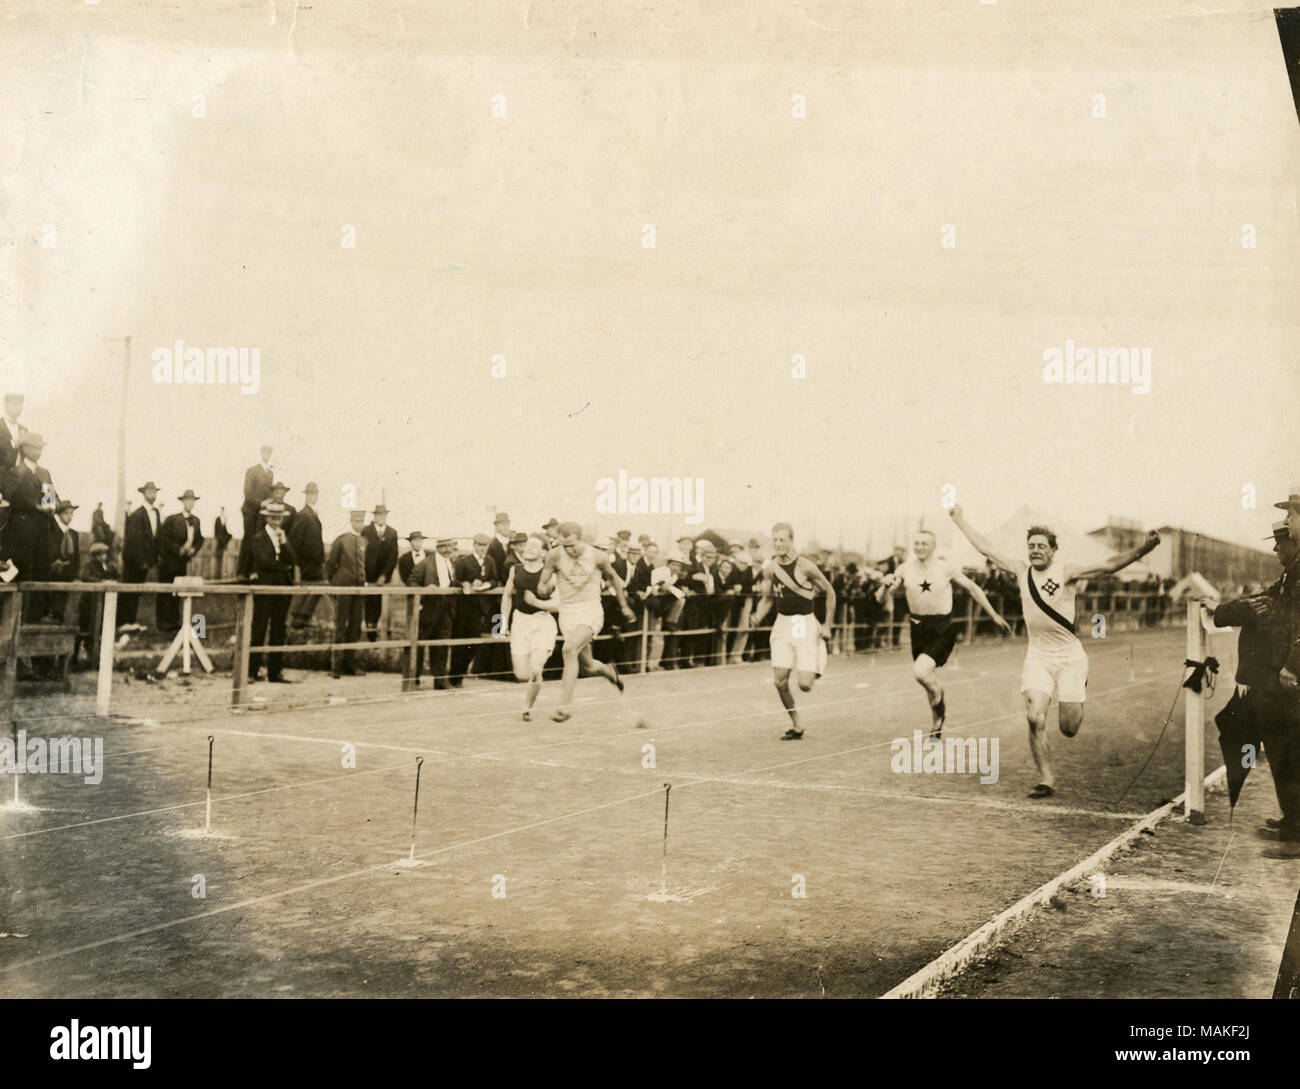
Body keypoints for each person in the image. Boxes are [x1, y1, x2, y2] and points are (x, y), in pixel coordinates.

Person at [949, 504, 1159, 798]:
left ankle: (1077, 687)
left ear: (1053, 550)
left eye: (1041, 546)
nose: (1035, 550)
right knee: (1035, 717)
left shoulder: (1067, 572)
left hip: (1069, 657)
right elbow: (986, 548)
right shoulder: (1020, 570)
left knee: (1069, 727)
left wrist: (1145, 547)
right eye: (1031, 546)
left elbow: (1109, 566)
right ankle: (1046, 778)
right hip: (1038, 656)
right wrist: (959, 519)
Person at [1213, 519, 1300, 854]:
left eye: (1281, 541)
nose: (1276, 548)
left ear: (1294, 540)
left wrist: (1292, 666)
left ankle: (1296, 834)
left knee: (1288, 755)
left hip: (1286, 680)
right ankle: (1292, 819)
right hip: (1275, 680)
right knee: (1281, 753)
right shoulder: (1289, 575)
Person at [875, 528, 1011, 738]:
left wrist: (993, 615)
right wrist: (884, 587)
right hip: (917, 628)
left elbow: (973, 588)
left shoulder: (945, 567)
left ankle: (939, 699)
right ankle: (937, 721)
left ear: (933, 547)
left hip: (942, 628)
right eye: (917, 543)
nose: (920, 547)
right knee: (927, 678)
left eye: (924, 544)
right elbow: (880, 600)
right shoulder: (904, 569)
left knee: (921, 672)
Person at [538, 522, 635, 722]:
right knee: (587, 665)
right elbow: (543, 584)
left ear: (581, 538)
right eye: (564, 546)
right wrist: (544, 589)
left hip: (590, 610)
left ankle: (564, 707)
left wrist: (624, 606)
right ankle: (611, 674)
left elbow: (615, 579)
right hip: (567, 613)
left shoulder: (597, 556)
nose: (569, 550)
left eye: (572, 545)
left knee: (569, 650)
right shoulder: (554, 555)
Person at [748, 523, 837, 740]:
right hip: (782, 624)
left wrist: (827, 625)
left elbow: (830, 592)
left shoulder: (805, 566)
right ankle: (796, 723)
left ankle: (819, 651)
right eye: (775, 540)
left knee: (805, 685)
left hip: (803, 623)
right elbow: (768, 598)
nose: (778, 544)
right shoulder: (770, 568)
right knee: (779, 681)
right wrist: (758, 615)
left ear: (791, 541)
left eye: (782, 540)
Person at [500, 535, 561, 720]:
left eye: (535, 546)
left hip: (542, 622)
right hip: (520, 622)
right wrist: (502, 624)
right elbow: (506, 597)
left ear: (544, 552)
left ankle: (527, 707)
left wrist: (537, 603)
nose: (529, 548)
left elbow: (559, 604)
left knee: (535, 668)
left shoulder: (551, 574)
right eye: (528, 545)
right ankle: (534, 684)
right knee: (521, 674)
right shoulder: (515, 569)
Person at [1, 432, 58, 621]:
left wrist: (51, 506)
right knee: (20, 570)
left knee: (42, 570)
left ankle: (35, 617)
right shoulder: (16, 472)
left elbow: (50, 498)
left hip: (41, 530)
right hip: (21, 529)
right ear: (24, 449)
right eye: (34, 447)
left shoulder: (45, 473)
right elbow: (11, 497)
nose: (38, 451)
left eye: (40, 448)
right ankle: (13, 618)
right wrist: (35, 505)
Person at [247, 501, 297, 683]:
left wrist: (284, 543)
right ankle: (251, 671)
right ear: (267, 518)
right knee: (259, 628)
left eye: (280, 518)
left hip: (282, 589)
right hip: (265, 588)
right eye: (274, 518)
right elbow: (264, 562)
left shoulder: (283, 537)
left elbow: (292, 560)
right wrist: (284, 567)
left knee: (278, 629)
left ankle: (275, 673)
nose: (277, 522)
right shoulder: (258, 538)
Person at [406, 535, 458, 688]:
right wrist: (425, 589)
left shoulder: (452, 564)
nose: (447, 550)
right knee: (420, 644)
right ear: (438, 548)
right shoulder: (425, 564)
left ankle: (440, 680)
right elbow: (411, 581)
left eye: (450, 546)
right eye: (444, 546)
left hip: (446, 609)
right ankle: (414, 679)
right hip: (429, 608)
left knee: (442, 644)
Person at [450, 533, 500, 684]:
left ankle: (461, 673)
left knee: (474, 642)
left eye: (485, 546)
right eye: (480, 545)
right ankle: (454, 677)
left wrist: (488, 585)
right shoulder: (464, 561)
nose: (483, 548)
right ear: (474, 545)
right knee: (459, 642)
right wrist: (465, 584)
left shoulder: (489, 560)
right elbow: (455, 581)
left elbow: (495, 579)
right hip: (464, 606)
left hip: (481, 608)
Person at [326, 509, 368, 678]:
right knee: (340, 626)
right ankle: (336, 667)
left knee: (355, 627)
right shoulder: (342, 540)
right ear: (351, 522)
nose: (360, 524)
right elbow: (330, 565)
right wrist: (336, 584)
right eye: (357, 521)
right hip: (344, 588)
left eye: (362, 521)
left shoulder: (364, 541)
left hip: (359, 590)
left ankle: (350, 665)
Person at [156, 489, 203, 632]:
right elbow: (163, 538)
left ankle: (174, 621)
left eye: (192, 501)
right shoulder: (172, 519)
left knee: (178, 592)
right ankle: (162, 623)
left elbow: (200, 539)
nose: (190, 503)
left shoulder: (196, 520)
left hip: (182, 563)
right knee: (165, 591)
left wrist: (194, 549)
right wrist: (178, 549)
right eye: (187, 500)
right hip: (168, 562)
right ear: (183, 502)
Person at [120, 481, 161, 630]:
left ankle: (131, 621)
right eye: (150, 492)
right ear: (144, 494)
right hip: (134, 561)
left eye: (154, 492)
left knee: (137, 592)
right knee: (130, 590)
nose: (152, 494)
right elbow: (134, 541)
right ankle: (125, 622)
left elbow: (155, 537)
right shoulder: (138, 514)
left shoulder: (155, 512)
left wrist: (154, 558)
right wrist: (141, 561)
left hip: (147, 561)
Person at [288, 483, 326, 631]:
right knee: (317, 586)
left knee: (314, 588)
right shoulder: (304, 514)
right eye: (310, 494)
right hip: (307, 562)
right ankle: (301, 617)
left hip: (315, 562)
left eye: (315, 494)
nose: (313, 497)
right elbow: (295, 541)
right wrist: (296, 564)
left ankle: (300, 616)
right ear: (306, 496)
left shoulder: (313, 514)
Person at [361, 505, 398, 641]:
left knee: (382, 607)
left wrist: (384, 576)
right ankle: (370, 636)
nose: (381, 518)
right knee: (368, 605)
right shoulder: (366, 531)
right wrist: (364, 575)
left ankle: (381, 636)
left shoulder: (392, 533)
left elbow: (393, 557)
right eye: (379, 515)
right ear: (375, 517)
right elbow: (362, 554)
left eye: (384, 515)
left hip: (383, 579)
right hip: (368, 578)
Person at [238, 445, 275, 578]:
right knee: (249, 538)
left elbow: (270, 493)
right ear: (261, 453)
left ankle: (254, 571)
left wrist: (269, 503)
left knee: (259, 539)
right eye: (265, 452)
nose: (267, 455)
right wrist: (261, 503)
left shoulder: (270, 473)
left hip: (262, 513)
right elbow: (247, 493)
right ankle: (242, 572)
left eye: (269, 453)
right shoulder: (252, 471)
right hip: (250, 510)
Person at [47, 499, 80, 623]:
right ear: (59, 514)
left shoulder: (73, 534)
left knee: (63, 598)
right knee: (52, 596)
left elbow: (76, 557)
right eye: (66, 513)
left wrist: (75, 573)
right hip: (54, 570)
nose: (69, 516)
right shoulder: (52, 530)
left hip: (67, 572)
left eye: (71, 513)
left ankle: (59, 618)